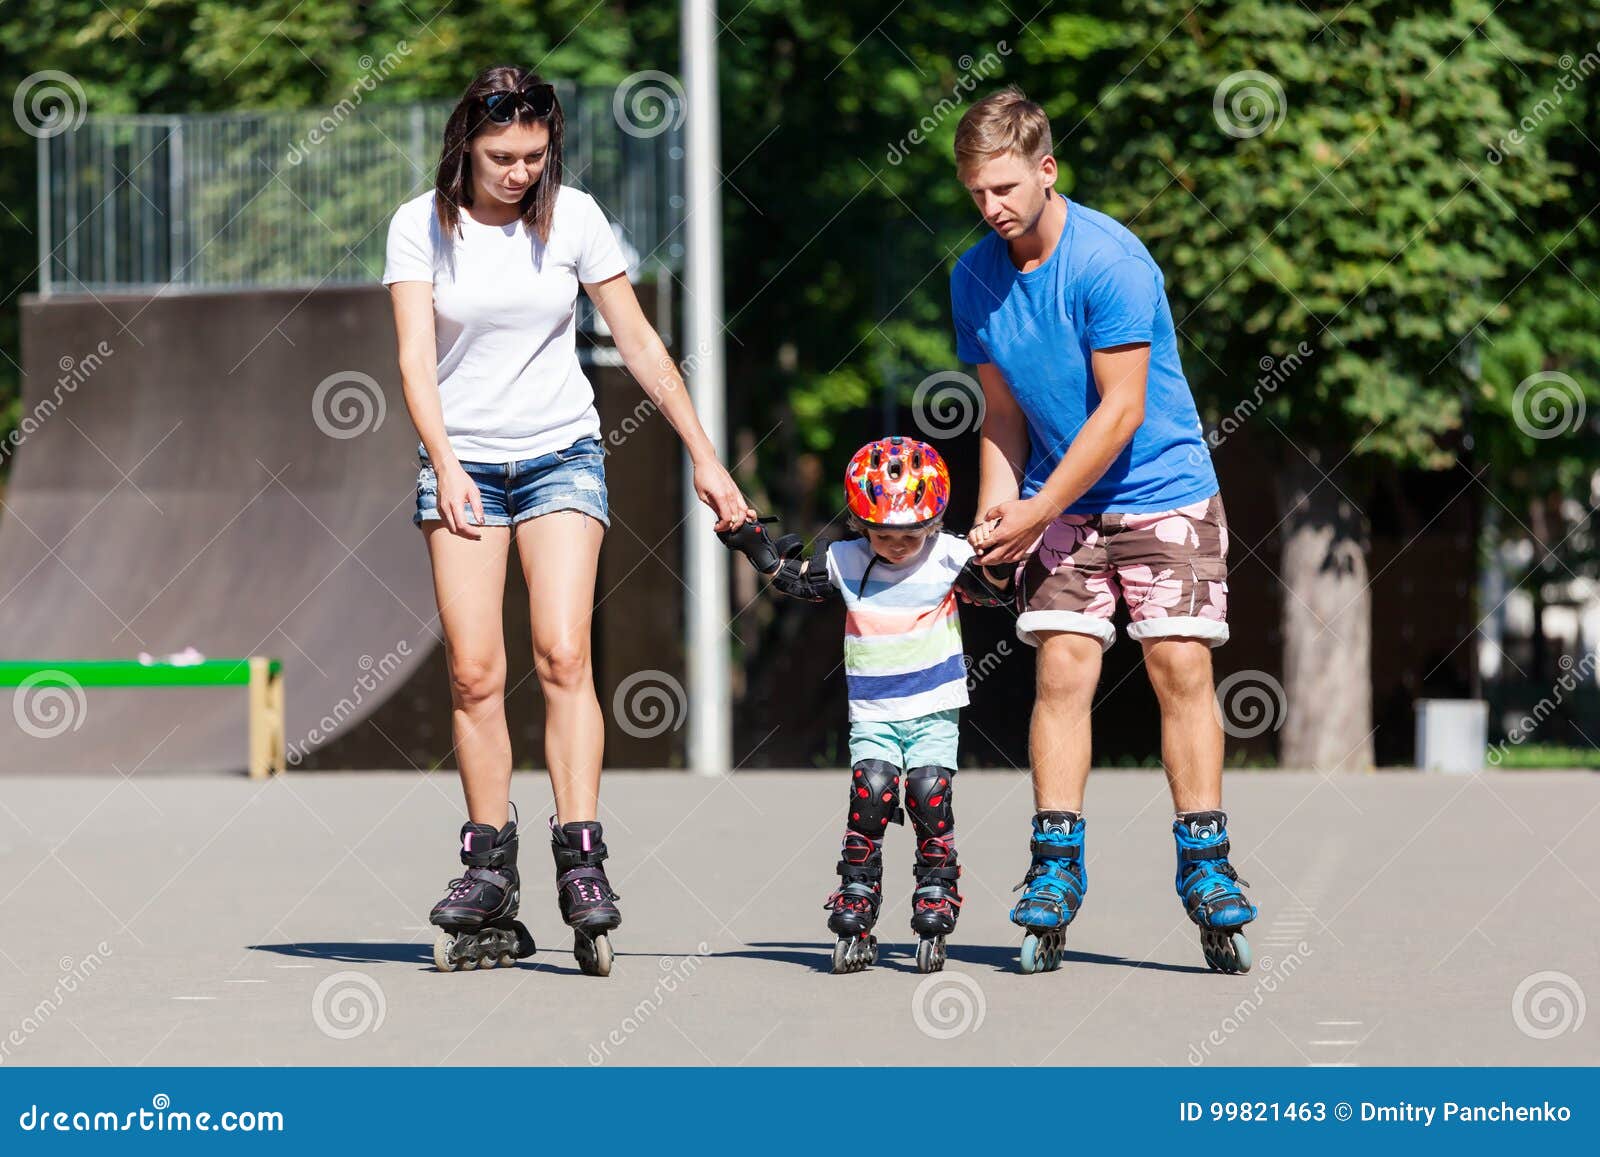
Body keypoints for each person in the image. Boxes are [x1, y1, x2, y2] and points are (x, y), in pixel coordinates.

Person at [383, 66, 753, 975]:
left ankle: (580, 854)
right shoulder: (420, 226)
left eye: (534, 156)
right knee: (475, 673)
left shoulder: (576, 217)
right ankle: (487, 866)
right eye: (501, 155)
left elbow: (638, 341)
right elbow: (414, 362)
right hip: (462, 461)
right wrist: (445, 462)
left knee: (562, 652)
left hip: (560, 455)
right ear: (466, 143)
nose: (517, 172)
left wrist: (705, 455)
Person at [950, 87, 1258, 975]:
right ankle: (1055, 866)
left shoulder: (1111, 260)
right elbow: (1001, 411)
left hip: (1162, 490)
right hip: (1058, 499)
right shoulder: (974, 275)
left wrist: (1040, 509)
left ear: (1047, 170)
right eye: (976, 192)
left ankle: (1205, 861)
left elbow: (1121, 411)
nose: (992, 208)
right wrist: (996, 515)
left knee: (1179, 663)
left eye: (1005, 187)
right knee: (1061, 667)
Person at [720, 437, 1011, 974]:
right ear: (859, 522)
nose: (898, 546)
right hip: (874, 710)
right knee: (872, 795)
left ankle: (936, 890)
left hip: (933, 706)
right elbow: (796, 580)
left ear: (934, 520)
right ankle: (857, 891)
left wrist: (1002, 553)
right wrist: (754, 546)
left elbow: (994, 592)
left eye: (911, 534)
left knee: (928, 796)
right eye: (884, 534)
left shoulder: (949, 554)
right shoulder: (846, 559)